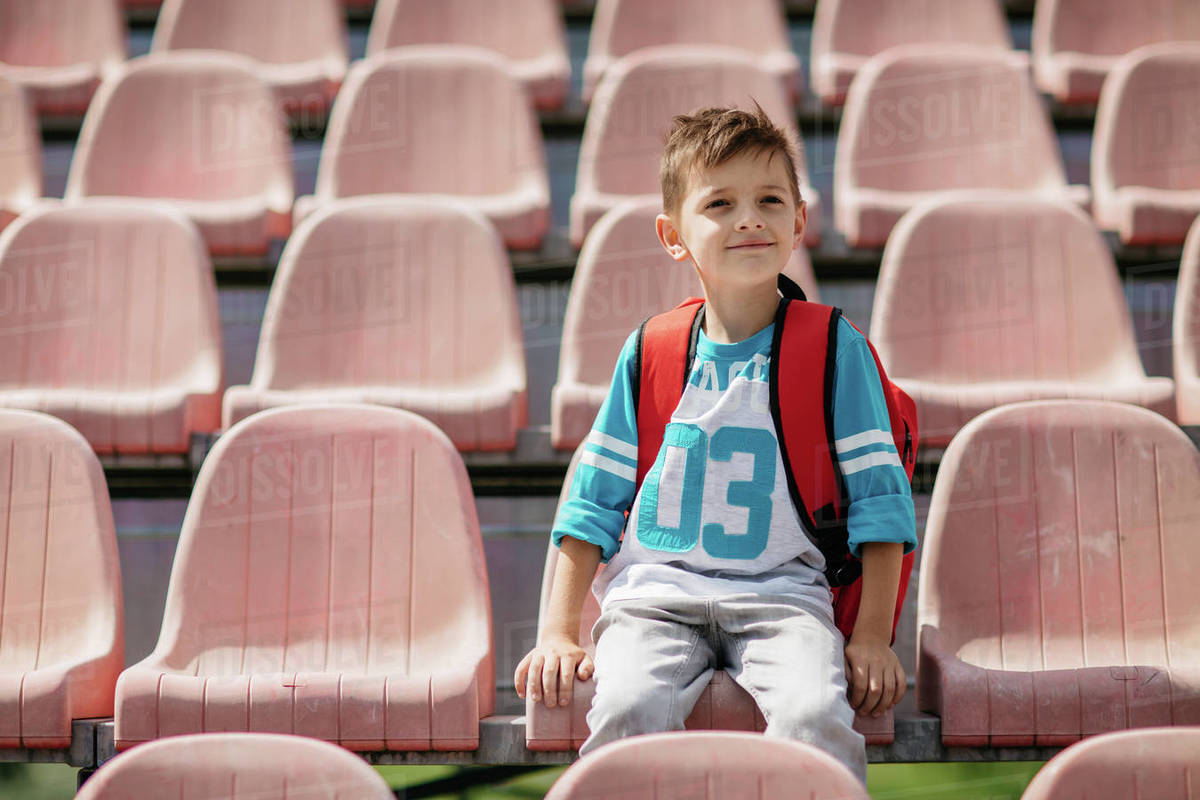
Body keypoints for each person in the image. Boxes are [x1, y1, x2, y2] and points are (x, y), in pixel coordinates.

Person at [515, 104, 917, 784]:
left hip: (786, 599)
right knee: (625, 708)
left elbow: (881, 504)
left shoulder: (833, 350)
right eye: (720, 204)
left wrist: (872, 637)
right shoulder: (652, 352)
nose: (749, 219)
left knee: (814, 714)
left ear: (799, 222)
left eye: (769, 200)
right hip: (653, 599)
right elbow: (593, 501)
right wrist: (556, 631)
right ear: (675, 235)